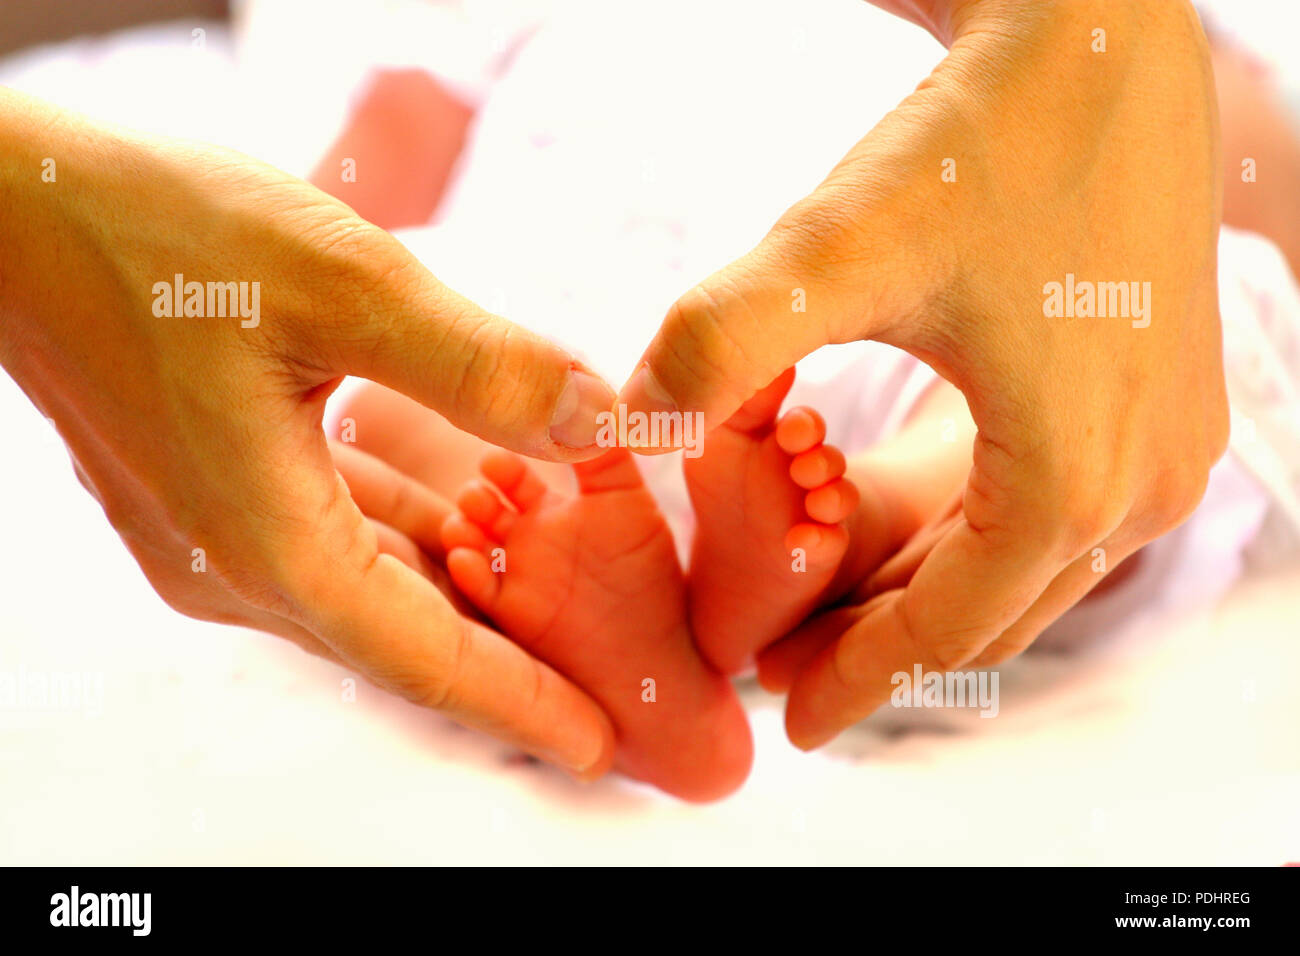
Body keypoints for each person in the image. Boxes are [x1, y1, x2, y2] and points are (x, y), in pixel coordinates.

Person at [0, 0, 1228, 774]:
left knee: (1058, 402)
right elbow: (335, 210)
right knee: (375, 382)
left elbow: (1160, 171)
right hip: (552, 355)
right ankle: (756, 541)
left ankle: (865, 516)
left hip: (902, 285)